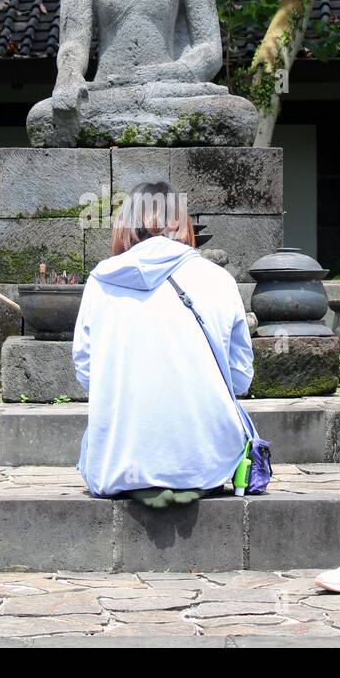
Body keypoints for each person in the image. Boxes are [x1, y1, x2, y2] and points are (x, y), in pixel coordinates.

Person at [72, 181, 253, 508]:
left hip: (118, 467)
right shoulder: (219, 280)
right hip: (206, 466)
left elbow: (86, 373)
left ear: (125, 224)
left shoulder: (101, 281)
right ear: (183, 223)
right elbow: (240, 378)